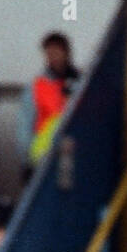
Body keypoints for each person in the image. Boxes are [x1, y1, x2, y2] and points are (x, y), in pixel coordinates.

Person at [21, 31, 80, 168]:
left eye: (56, 52)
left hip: (74, 155)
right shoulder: (36, 85)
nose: (53, 57)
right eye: (49, 53)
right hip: (44, 159)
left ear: (67, 53)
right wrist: (27, 161)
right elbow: (25, 125)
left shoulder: (81, 83)